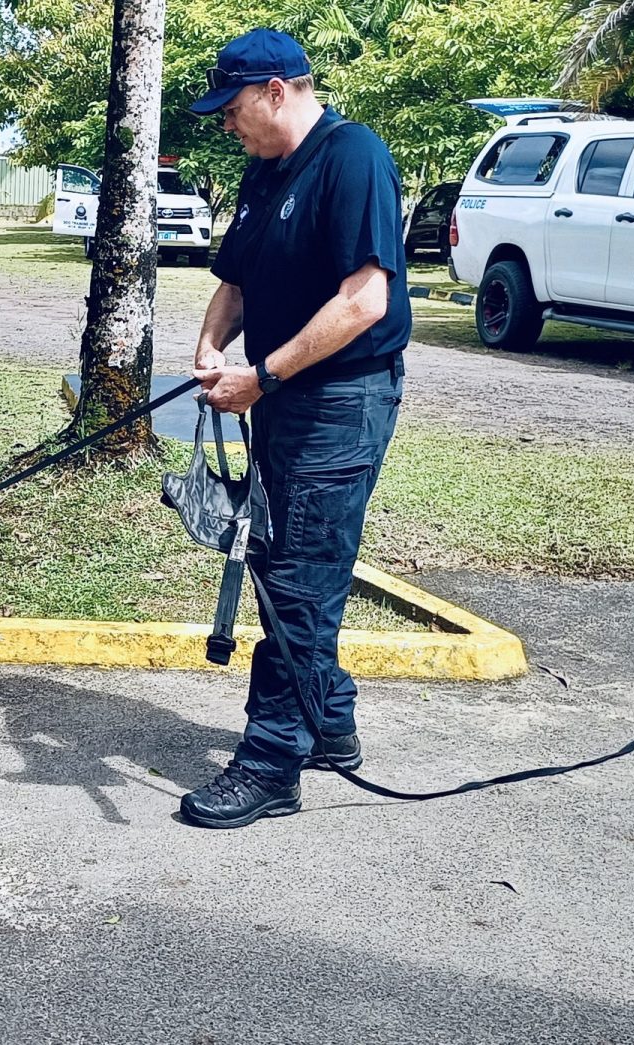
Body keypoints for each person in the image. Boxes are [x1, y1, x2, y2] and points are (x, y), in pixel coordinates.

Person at [179, 28, 411, 829]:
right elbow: (236, 278)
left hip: (340, 402)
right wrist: (214, 346)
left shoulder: (355, 159)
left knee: (297, 579)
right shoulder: (261, 168)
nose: (227, 125)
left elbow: (365, 300)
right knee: (290, 559)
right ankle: (332, 723)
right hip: (277, 397)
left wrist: (265, 374)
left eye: (234, 109)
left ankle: (273, 761)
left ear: (278, 91)